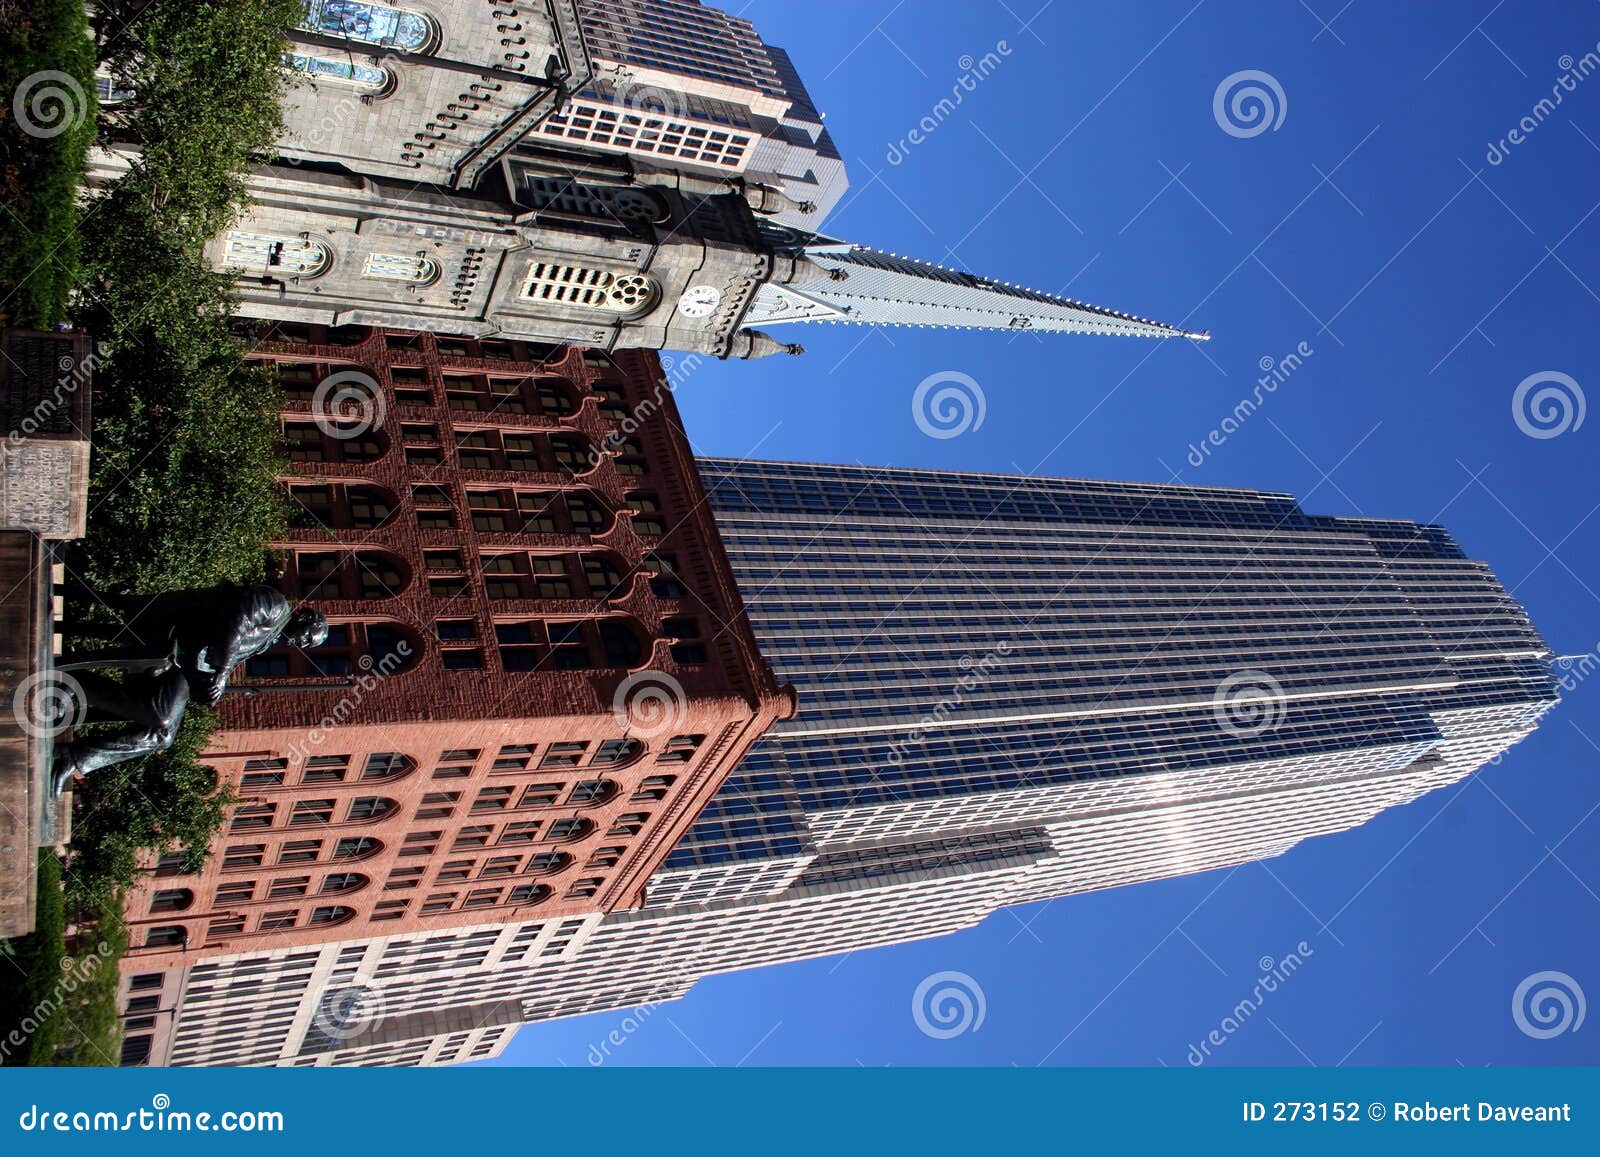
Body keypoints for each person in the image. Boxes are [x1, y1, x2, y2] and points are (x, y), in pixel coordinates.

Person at [51, 584, 328, 794]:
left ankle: (74, 757)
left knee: (161, 736)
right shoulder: (276, 606)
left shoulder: (269, 640)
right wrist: (222, 672)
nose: (301, 645)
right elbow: (236, 621)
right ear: (304, 619)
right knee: (159, 718)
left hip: (182, 669)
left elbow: (216, 657)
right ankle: (80, 686)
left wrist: (206, 689)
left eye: (307, 645)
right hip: (173, 642)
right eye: (307, 638)